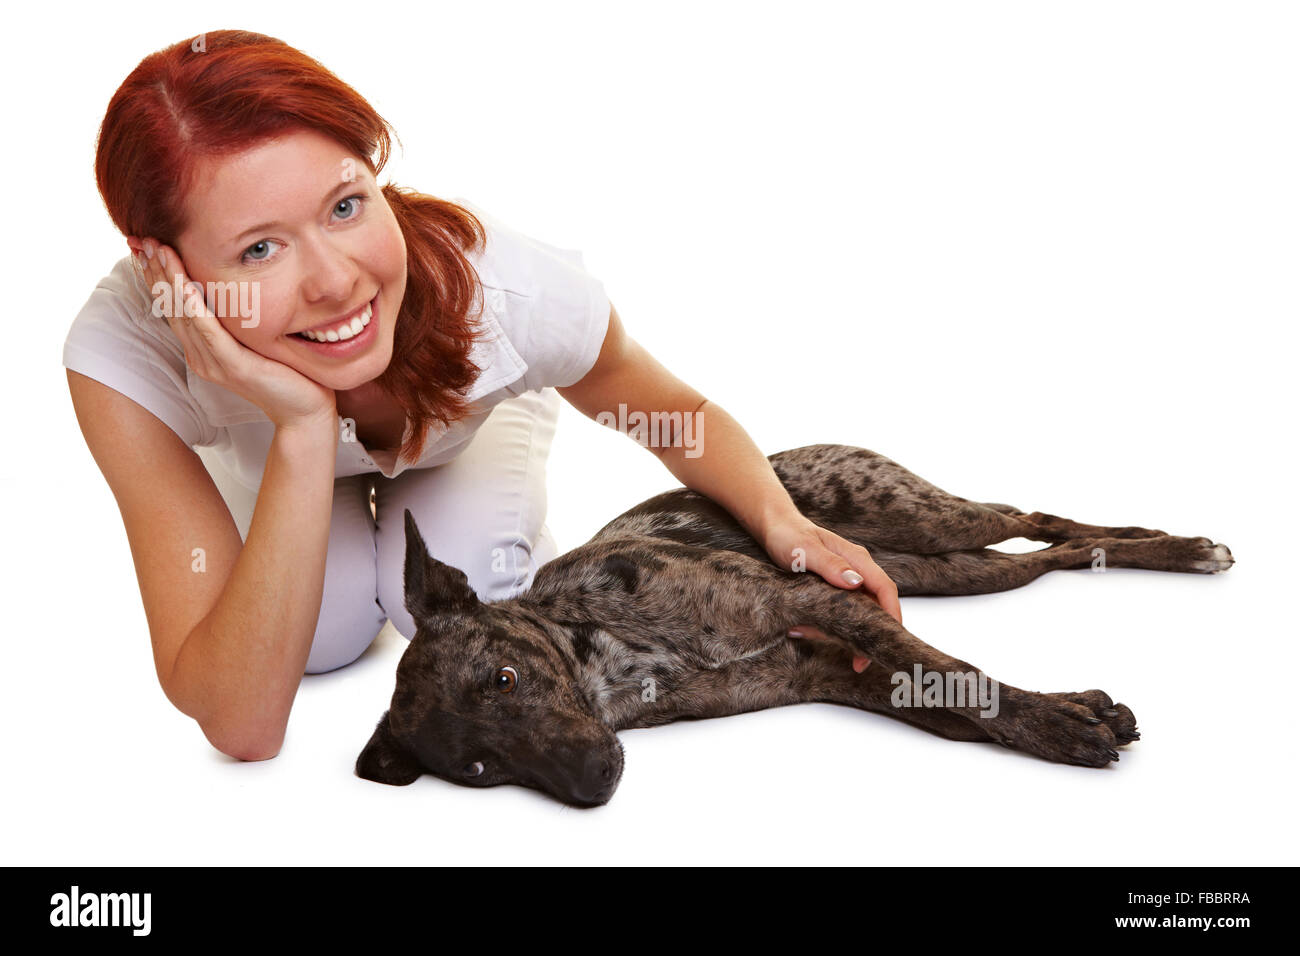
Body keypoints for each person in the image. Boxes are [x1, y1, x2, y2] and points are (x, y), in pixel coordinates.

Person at [63, 30, 901, 762]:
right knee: (313, 641)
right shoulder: (124, 359)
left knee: (478, 603)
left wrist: (784, 524)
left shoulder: (509, 297)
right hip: (275, 450)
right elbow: (241, 722)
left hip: (453, 432)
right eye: (258, 251)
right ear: (162, 271)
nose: (335, 281)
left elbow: (672, 415)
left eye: (347, 204)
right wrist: (304, 428)